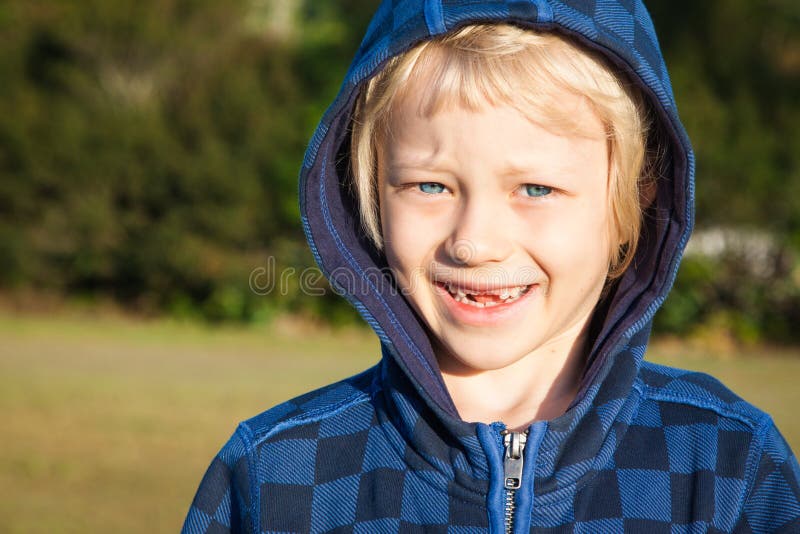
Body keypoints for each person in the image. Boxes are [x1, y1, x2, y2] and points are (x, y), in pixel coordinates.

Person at [183, 1, 800, 532]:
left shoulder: (726, 464)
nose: (474, 244)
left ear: (632, 198)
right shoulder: (278, 476)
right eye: (429, 186)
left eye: (535, 189)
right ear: (370, 194)